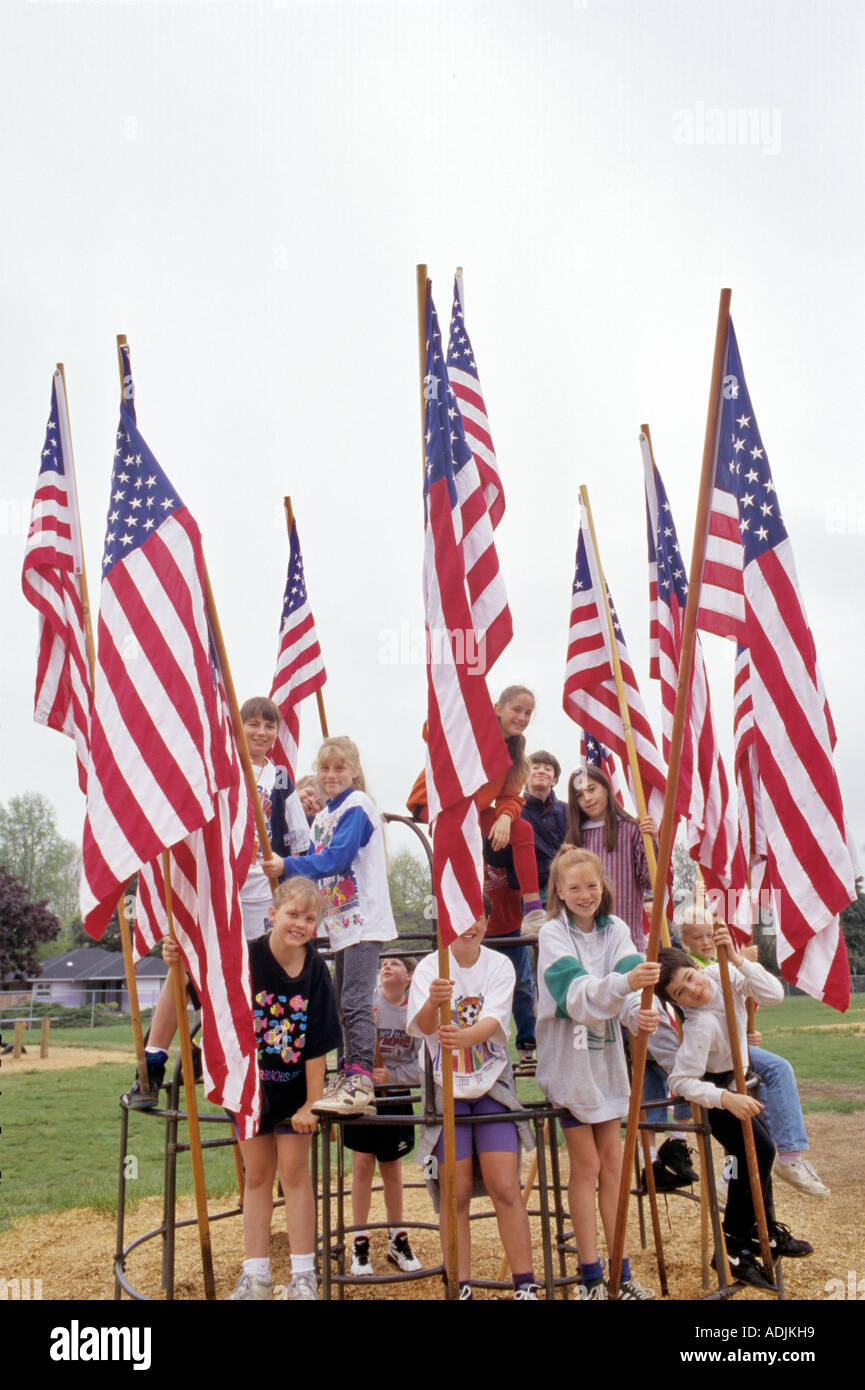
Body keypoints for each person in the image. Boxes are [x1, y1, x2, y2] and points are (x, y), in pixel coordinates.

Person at [125, 696, 308, 1108]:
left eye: (269, 726)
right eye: (253, 724)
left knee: (255, 975)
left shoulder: (280, 779)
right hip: (215, 888)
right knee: (186, 966)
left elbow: (300, 840)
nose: (261, 733)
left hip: (262, 895)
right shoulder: (220, 767)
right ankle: (151, 1066)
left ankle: (247, 1058)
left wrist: (285, 868)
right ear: (238, 727)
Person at [164, 877, 339, 1301]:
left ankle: (303, 1276)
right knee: (257, 1176)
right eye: (292, 914)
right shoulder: (247, 957)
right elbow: (208, 990)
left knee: (296, 1177)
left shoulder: (316, 970)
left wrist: (312, 1105)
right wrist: (180, 957)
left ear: (316, 927)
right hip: (249, 1088)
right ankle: (256, 1275)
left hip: (295, 1092)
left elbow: (316, 1045)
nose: (299, 924)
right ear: (272, 915)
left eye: (309, 918)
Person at [658, 924, 814, 1290]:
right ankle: (731, 1247)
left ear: (697, 967)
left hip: (740, 1082)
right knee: (755, 1152)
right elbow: (680, 1083)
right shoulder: (699, 1026)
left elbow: (774, 994)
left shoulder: (722, 973)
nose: (694, 990)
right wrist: (726, 1099)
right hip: (718, 1093)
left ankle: (763, 1234)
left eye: (690, 978)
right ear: (676, 1003)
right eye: (681, 993)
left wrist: (740, 961)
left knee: (761, 1153)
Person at [536, 846, 659, 1300]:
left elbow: (631, 984)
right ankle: (590, 1277)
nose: (585, 894)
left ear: (603, 885)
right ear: (560, 893)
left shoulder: (616, 930)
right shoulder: (552, 934)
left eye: (591, 885)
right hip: (569, 1064)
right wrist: (626, 989)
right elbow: (575, 996)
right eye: (574, 888)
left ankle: (620, 1275)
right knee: (585, 1167)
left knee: (614, 1167)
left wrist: (639, 1014)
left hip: (606, 1063)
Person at [408, 909, 540, 1299]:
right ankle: (460, 1285)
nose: (470, 925)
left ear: (487, 922)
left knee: (505, 1187)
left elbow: (495, 1023)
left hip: (490, 1086)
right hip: (444, 1089)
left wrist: (463, 1039)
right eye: (461, 915)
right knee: (455, 1193)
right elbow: (422, 1027)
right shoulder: (430, 967)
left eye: (479, 916)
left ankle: (525, 1284)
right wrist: (434, 1003)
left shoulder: (499, 964)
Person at [677, 905, 830, 1197]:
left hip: (731, 1046)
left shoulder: (716, 961)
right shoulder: (694, 967)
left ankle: (730, 1175)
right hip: (711, 1054)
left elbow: (753, 1000)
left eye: (710, 934)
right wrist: (738, 961)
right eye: (698, 938)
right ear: (685, 941)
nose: (707, 942)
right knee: (777, 1069)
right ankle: (789, 1154)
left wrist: (746, 1032)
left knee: (740, 1133)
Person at [280, 736, 396, 1117]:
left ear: (354, 771)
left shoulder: (359, 806)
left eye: (339, 767)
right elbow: (313, 865)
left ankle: (361, 1077)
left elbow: (336, 858)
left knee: (355, 1000)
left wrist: (286, 867)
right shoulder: (323, 818)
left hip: (365, 922)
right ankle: (347, 1072)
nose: (331, 775)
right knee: (341, 1004)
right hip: (343, 925)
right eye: (325, 768)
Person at [406, 686, 545, 931]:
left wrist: (504, 817)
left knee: (521, 828)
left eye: (528, 713)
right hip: (438, 803)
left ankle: (533, 913)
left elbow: (511, 796)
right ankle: (471, 910)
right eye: (517, 710)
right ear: (498, 709)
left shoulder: (513, 749)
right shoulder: (472, 729)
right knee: (465, 836)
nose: (522, 718)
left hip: (474, 810)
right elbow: (432, 730)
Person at [345, 954, 423, 1277]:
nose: (387, 966)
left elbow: (422, 1064)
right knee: (362, 1165)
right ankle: (359, 1240)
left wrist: (393, 1078)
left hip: (396, 1096)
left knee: (391, 1168)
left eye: (396, 964)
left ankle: (397, 1236)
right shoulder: (369, 1005)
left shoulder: (416, 1012)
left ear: (408, 977)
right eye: (384, 961)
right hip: (365, 1093)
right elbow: (347, 1043)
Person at [564, 763, 657, 952]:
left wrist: (652, 843)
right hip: (587, 944)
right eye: (580, 796)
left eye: (592, 789)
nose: (587, 799)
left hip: (628, 938)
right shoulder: (576, 838)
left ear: (606, 789)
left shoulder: (631, 829)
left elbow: (648, 880)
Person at [520, 750, 568, 903]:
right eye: (535, 767)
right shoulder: (513, 813)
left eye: (547, 769)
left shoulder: (568, 811)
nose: (541, 771)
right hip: (530, 895)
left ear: (554, 780)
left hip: (566, 891)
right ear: (525, 775)